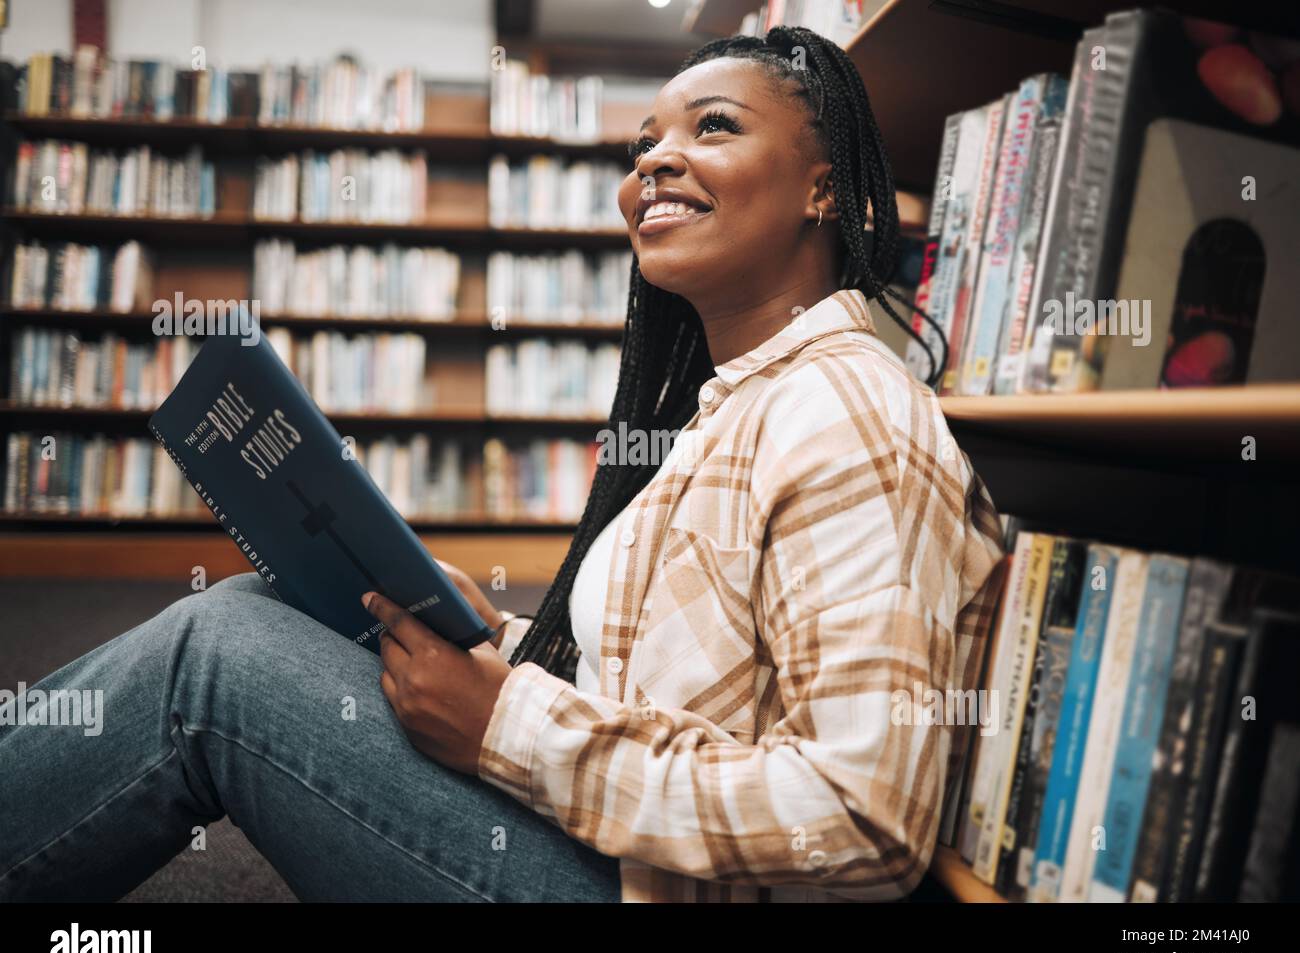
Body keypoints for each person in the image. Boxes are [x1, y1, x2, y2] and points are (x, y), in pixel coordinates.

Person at [0, 26, 1003, 903]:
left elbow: (860, 820)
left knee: (210, 659)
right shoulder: (737, 403)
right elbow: (698, 694)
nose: (654, 161)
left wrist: (509, 728)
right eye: (643, 141)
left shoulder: (847, 415)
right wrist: (501, 642)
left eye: (713, 128)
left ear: (824, 185)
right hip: (613, 854)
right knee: (259, 616)